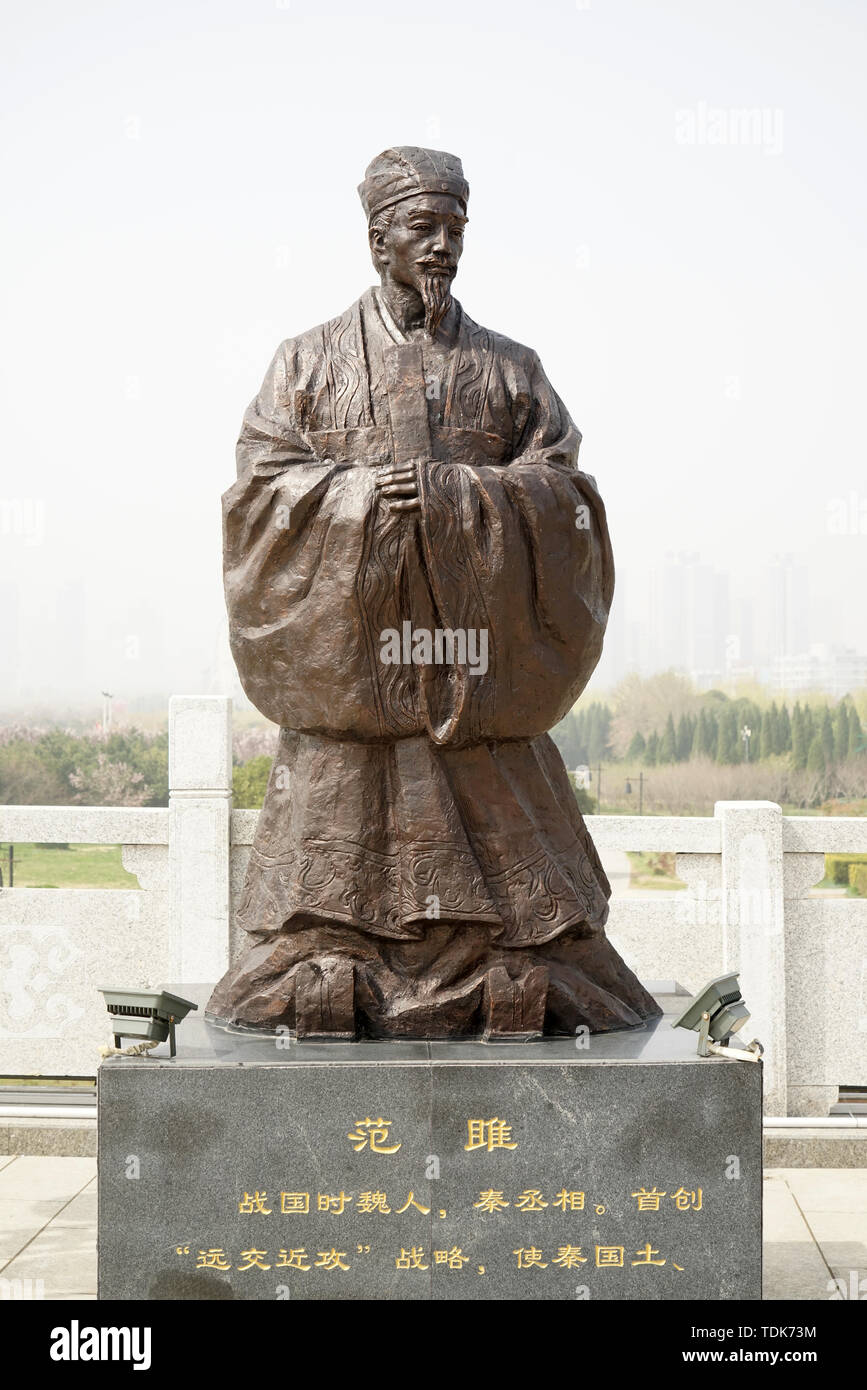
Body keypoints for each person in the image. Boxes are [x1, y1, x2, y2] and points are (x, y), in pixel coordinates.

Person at [205, 147, 661, 1040]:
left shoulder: (510, 367)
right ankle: (330, 957)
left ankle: (516, 963)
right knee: (334, 821)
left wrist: (464, 500)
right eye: (423, 227)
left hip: (476, 665)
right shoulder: (303, 362)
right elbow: (259, 490)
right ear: (378, 240)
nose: (443, 246)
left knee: (534, 898)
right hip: (357, 664)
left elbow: (566, 494)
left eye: (455, 229)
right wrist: (361, 497)